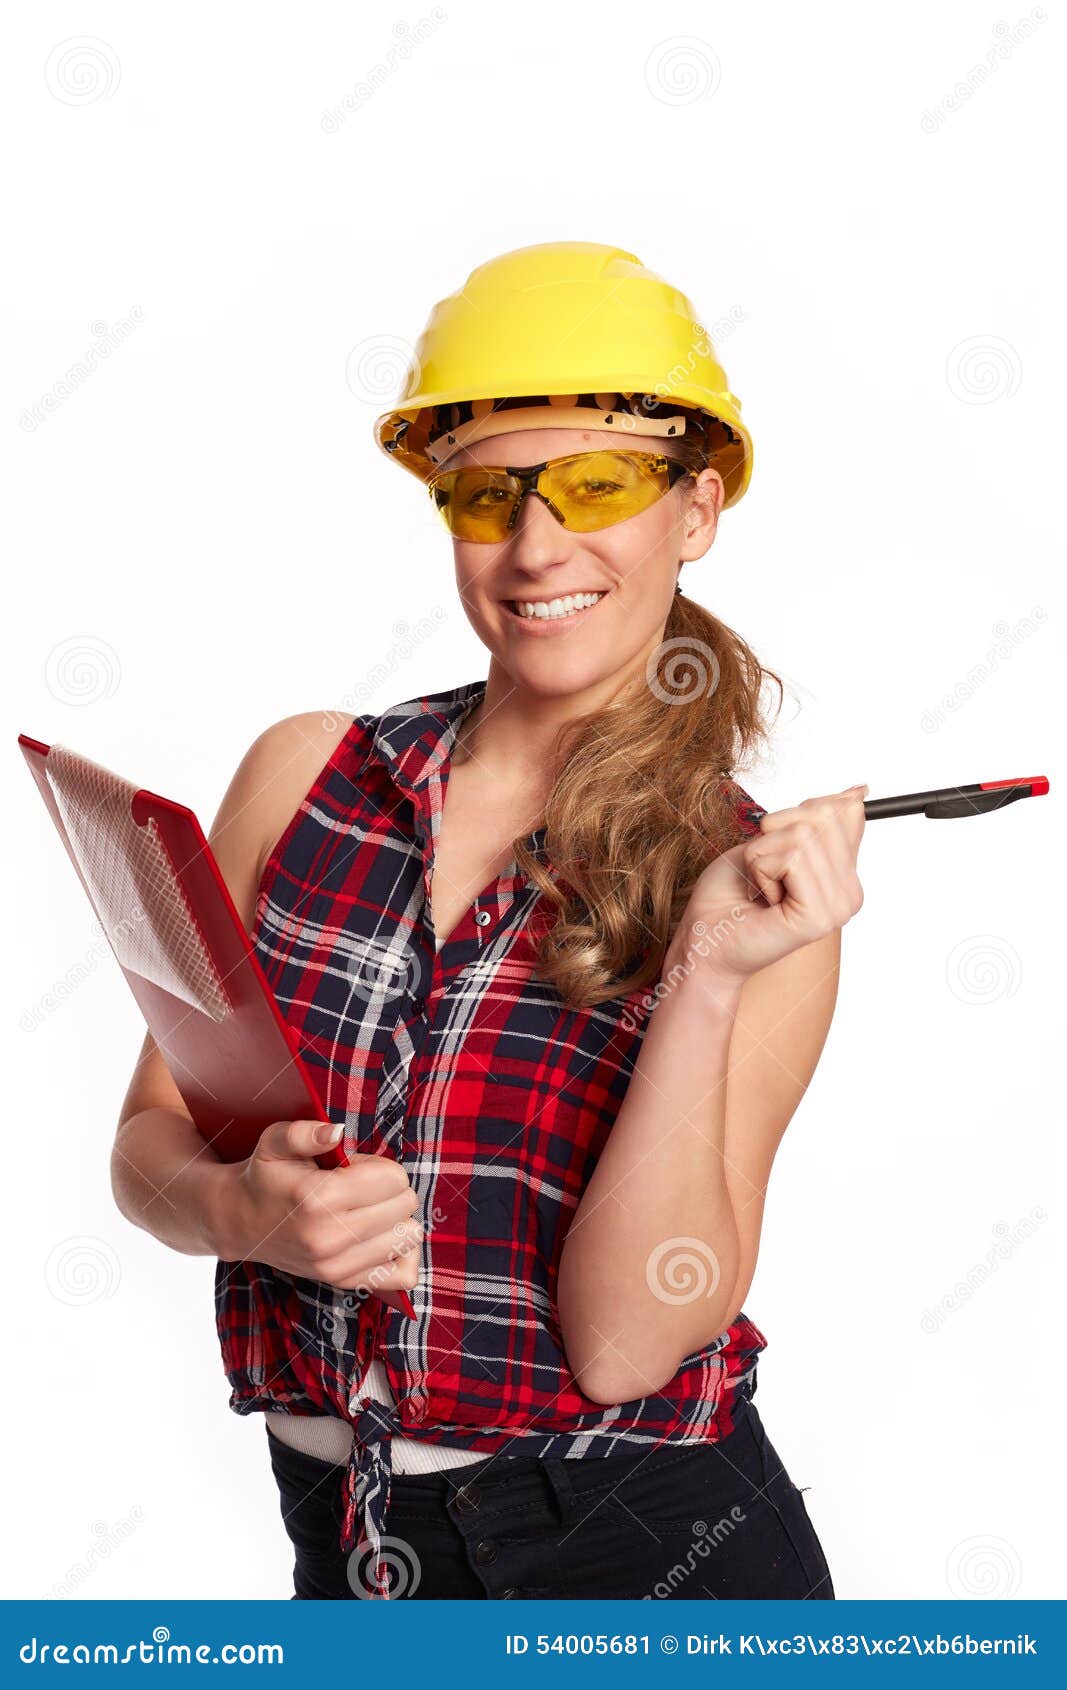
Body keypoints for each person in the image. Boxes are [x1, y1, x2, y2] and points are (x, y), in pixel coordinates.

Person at [112, 241, 866, 1601]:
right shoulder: (305, 777)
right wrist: (245, 1210)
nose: (536, 546)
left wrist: (701, 975)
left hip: (649, 1557)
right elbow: (144, 1147)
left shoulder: (757, 899)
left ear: (696, 507)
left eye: (599, 485)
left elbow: (626, 1347)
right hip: (354, 1555)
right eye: (486, 494)